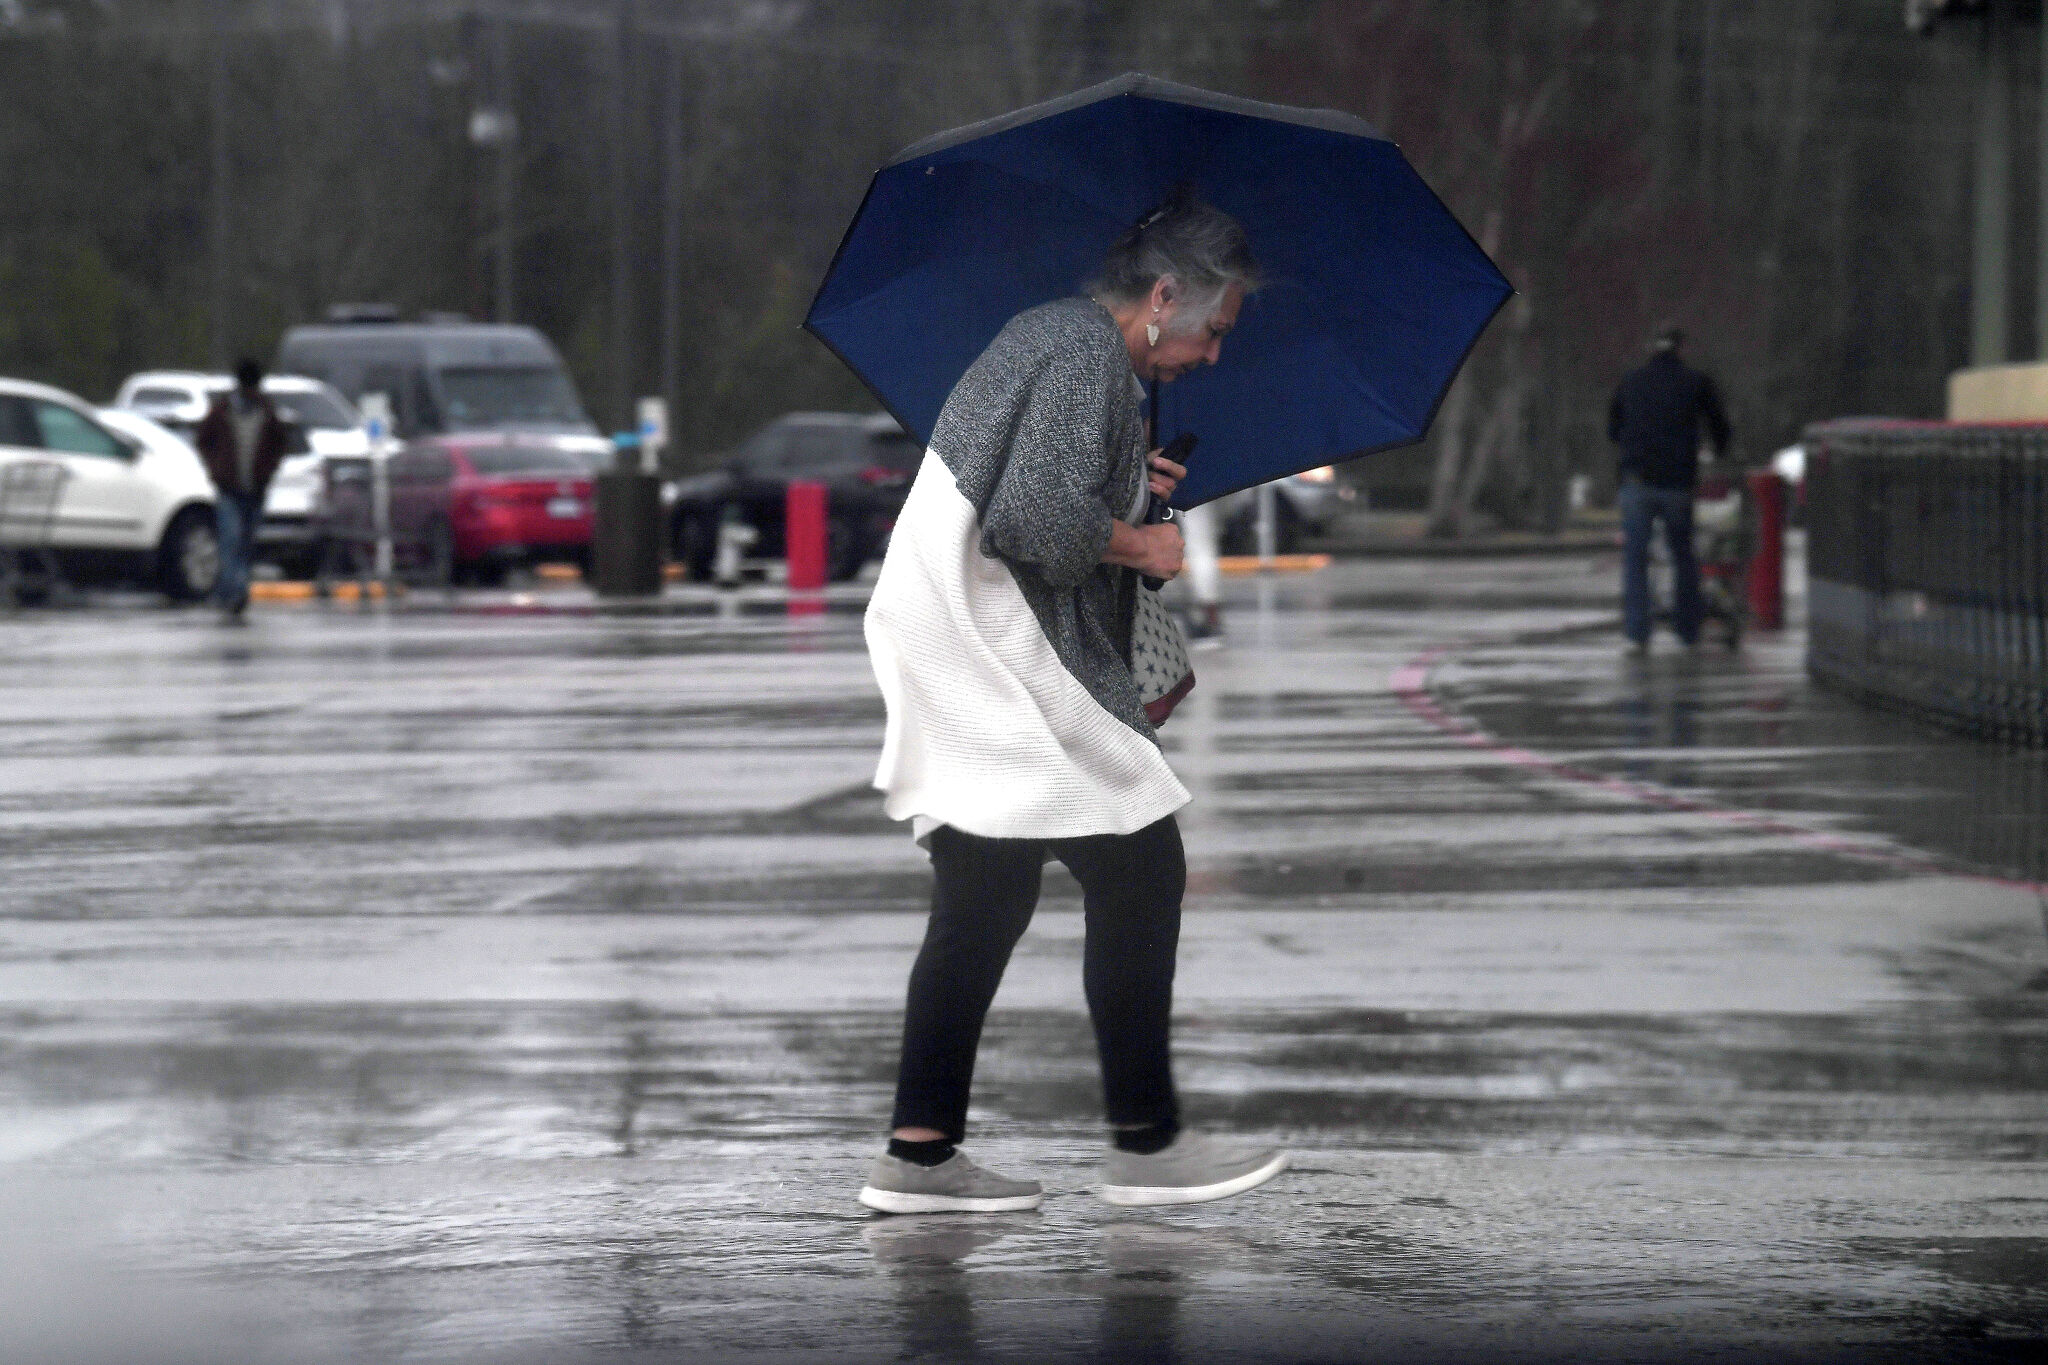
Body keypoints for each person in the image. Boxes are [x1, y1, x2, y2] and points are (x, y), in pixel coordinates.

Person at [858, 190, 1287, 1214]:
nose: (1213, 356)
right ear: (1163, 297)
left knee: (985, 891)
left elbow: (1034, 494)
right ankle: (1144, 1149)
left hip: (947, 632)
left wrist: (1130, 484)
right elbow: (1031, 521)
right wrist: (1139, 539)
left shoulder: (1052, 340)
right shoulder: (1085, 353)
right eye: (1212, 332)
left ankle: (918, 1158)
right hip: (998, 644)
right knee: (1140, 857)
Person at [1607, 325, 1731, 654]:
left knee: (1636, 557)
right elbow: (1719, 427)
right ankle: (1687, 630)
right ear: (1681, 348)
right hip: (1677, 482)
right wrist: (1718, 454)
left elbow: (1613, 427)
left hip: (1637, 481)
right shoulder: (1696, 382)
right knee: (1682, 554)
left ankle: (1637, 633)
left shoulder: (1631, 381)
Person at [194, 359, 291, 618]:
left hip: (255, 490)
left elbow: (280, 444)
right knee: (231, 539)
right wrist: (216, 470)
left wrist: (268, 471)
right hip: (229, 489)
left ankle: (233, 591)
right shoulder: (223, 411)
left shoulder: (266, 412)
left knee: (245, 543)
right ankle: (233, 593)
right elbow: (203, 441)